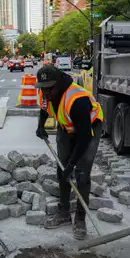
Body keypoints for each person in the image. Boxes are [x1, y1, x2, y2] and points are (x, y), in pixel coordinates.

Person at [34, 65, 104, 240]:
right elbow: (44, 109)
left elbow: (84, 137)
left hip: (89, 129)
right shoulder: (46, 93)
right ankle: (64, 212)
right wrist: (40, 126)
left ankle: (80, 218)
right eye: (43, 88)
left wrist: (72, 164)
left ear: (59, 83)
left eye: (50, 88)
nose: (46, 92)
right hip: (67, 127)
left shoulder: (77, 99)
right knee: (61, 168)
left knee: (81, 172)